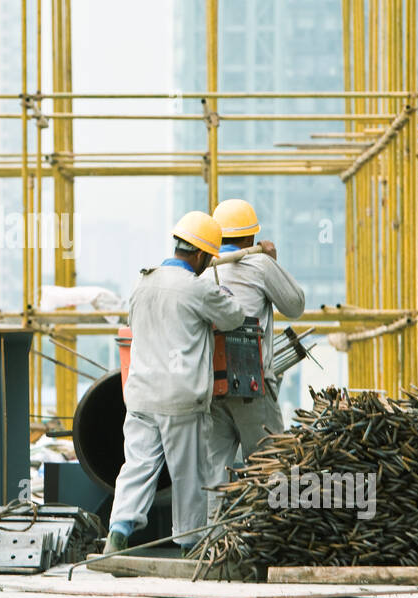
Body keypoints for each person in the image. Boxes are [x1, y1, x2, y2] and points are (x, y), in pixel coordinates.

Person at [104, 211, 252, 556]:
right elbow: (234, 317)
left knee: (137, 466)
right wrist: (223, 291)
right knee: (189, 476)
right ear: (201, 255)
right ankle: (190, 545)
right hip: (180, 398)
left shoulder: (143, 282)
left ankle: (117, 534)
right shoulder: (197, 288)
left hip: (140, 394)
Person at [200, 199, 306, 508]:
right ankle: (270, 537)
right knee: (271, 465)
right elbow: (295, 306)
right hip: (252, 386)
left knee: (215, 472)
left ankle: (213, 543)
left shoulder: (206, 271)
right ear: (251, 238)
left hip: (213, 385)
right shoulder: (259, 265)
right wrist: (273, 260)